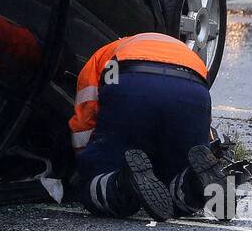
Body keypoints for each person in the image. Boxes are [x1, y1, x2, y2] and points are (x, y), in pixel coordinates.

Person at [67, 32, 230, 221]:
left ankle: (123, 184)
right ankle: (195, 183)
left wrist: (86, 163)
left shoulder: (102, 56)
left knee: (95, 182)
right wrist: (205, 146)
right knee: (176, 178)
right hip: (192, 86)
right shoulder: (177, 48)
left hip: (129, 80)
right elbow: (202, 120)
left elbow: (85, 120)